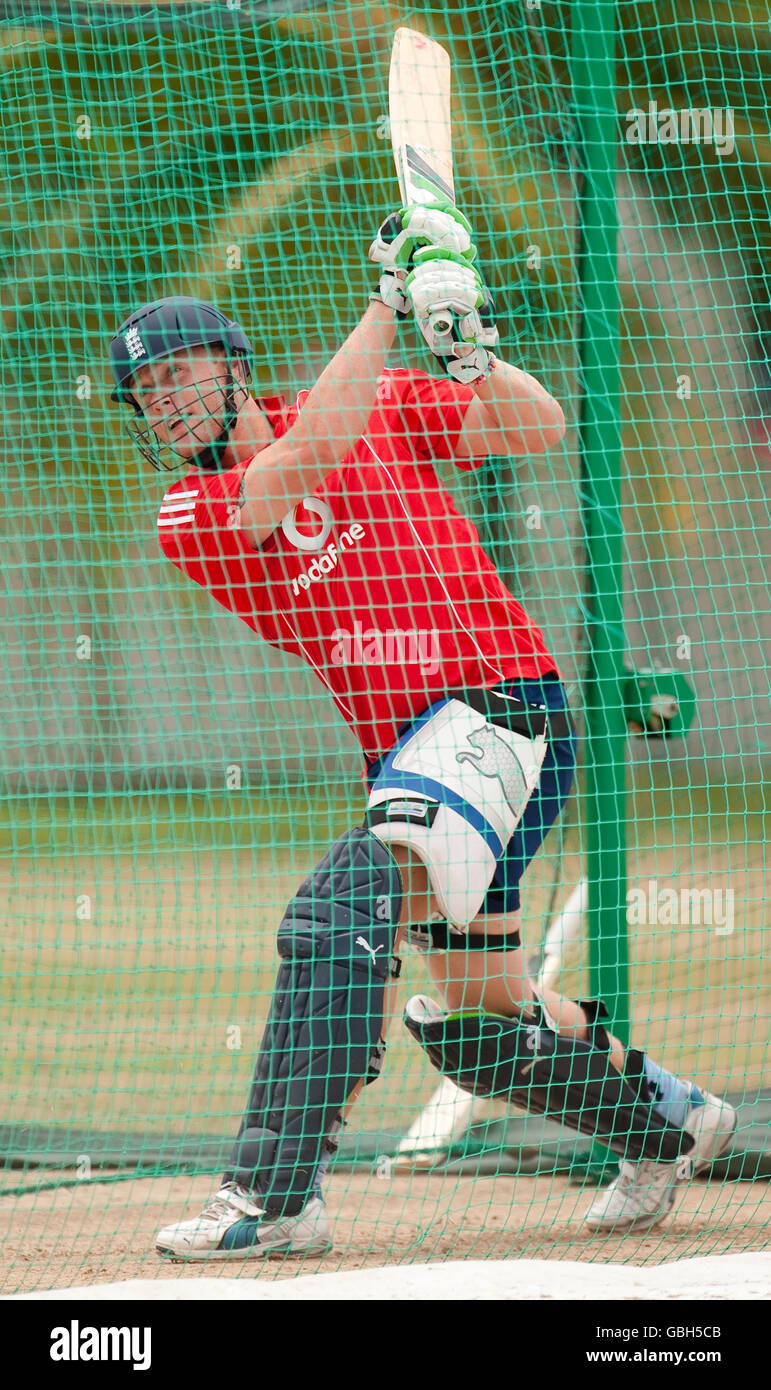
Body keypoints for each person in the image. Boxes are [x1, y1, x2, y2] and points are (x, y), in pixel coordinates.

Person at [109, 203, 735, 1259]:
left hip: (500, 710)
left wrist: (475, 353)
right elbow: (292, 474)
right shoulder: (190, 512)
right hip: (419, 758)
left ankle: (274, 1197)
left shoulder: (382, 401)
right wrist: (391, 304)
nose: (164, 401)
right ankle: (671, 1121)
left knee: (335, 913)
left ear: (232, 365)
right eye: (145, 391)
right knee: (479, 1024)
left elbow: (538, 425)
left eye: (179, 373)